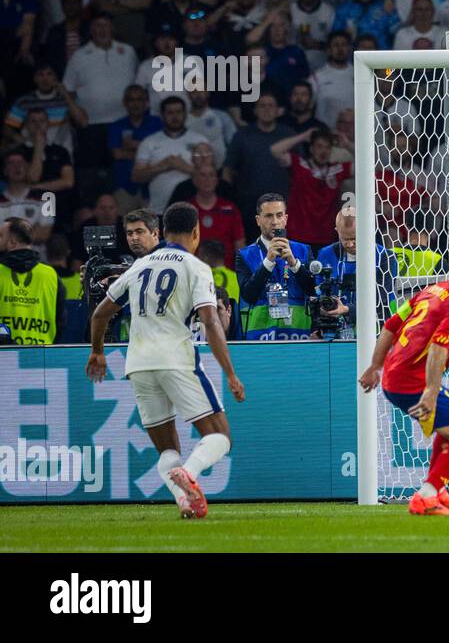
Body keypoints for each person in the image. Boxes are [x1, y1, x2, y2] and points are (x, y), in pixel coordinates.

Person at [86, 202, 245, 520]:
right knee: (219, 437)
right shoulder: (195, 267)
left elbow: (101, 312)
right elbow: (211, 321)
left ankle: (185, 502)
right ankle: (189, 473)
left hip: (138, 365)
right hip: (176, 359)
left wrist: (98, 352)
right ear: (196, 232)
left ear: (163, 231)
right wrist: (229, 373)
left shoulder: (139, 266)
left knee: (167, 448)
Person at [359, 244, 449, 516]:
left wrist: (375, 366)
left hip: (395, 375)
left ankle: (439, 491)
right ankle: (426, 496)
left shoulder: (432, 290)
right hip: (411, 381)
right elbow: (438, 347)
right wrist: (431, 391)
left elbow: (390, 325)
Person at [235, 193, 317, 340]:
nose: (275, 221)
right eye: (268, 216)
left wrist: (294, 263)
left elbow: (313, 290)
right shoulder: (245, 255)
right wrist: (267, 262)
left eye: (279, 215)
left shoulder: (304, 251)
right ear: (258, 220)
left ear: (285, 219)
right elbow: (247, 295)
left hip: (298, 336)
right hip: (260, 339)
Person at [315, 206, 399, 334]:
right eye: (345, 239)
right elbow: (318, 292)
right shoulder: (325, 255)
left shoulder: (385, 257)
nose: (350, 244)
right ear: (337, 231)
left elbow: (381, 298)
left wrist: (347, 309)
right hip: (334, 333)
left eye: (354, 239)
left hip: (376, 331)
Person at [0, 218, 65, 344]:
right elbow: (61, 322)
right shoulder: (51, 275)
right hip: (41, 356)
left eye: (1, 236)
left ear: (12, 242)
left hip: (4, 357)